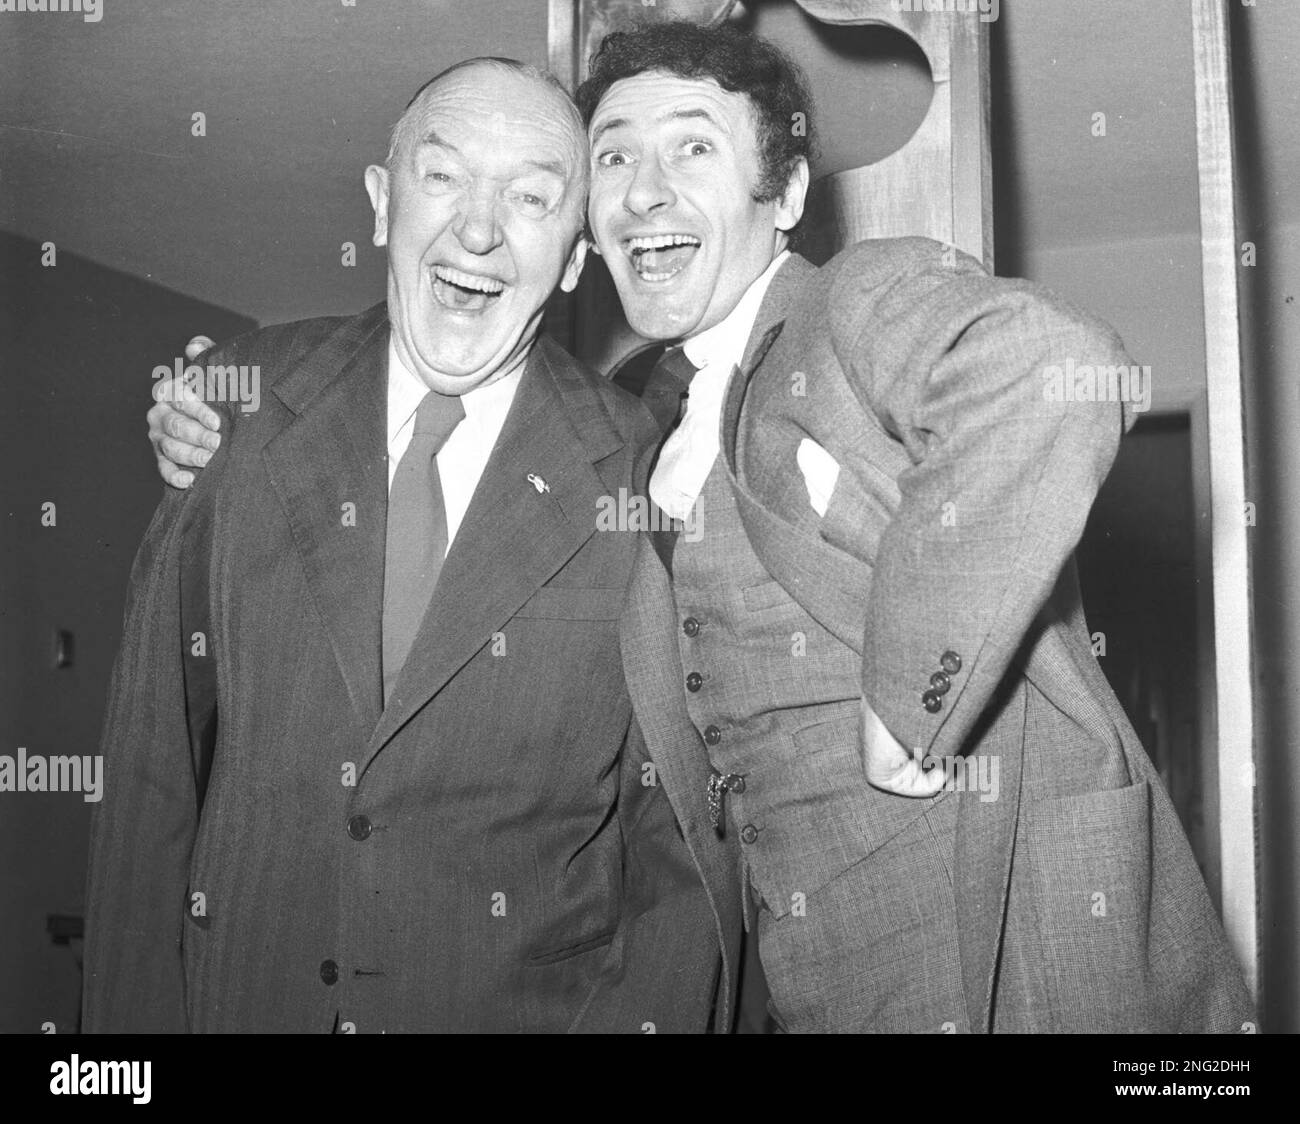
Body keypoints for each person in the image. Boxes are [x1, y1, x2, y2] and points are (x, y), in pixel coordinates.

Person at [150, 23, 1254, 1033]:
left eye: (692, 151)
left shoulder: (854, 303)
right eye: (615, 159)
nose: (643, 190)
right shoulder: (639, 422)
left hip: (1030, 952)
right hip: (814, 982)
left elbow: (1048, 373)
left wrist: (913, 697)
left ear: (783, 198)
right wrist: (225, 395)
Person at [84, 57, 724, 1034]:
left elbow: (677, 854)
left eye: (532, 197)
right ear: (383, 203)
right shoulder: (237, 396)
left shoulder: (648, 477)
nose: (478, 227)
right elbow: (150, 765)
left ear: (573, 256)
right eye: (444, 177)